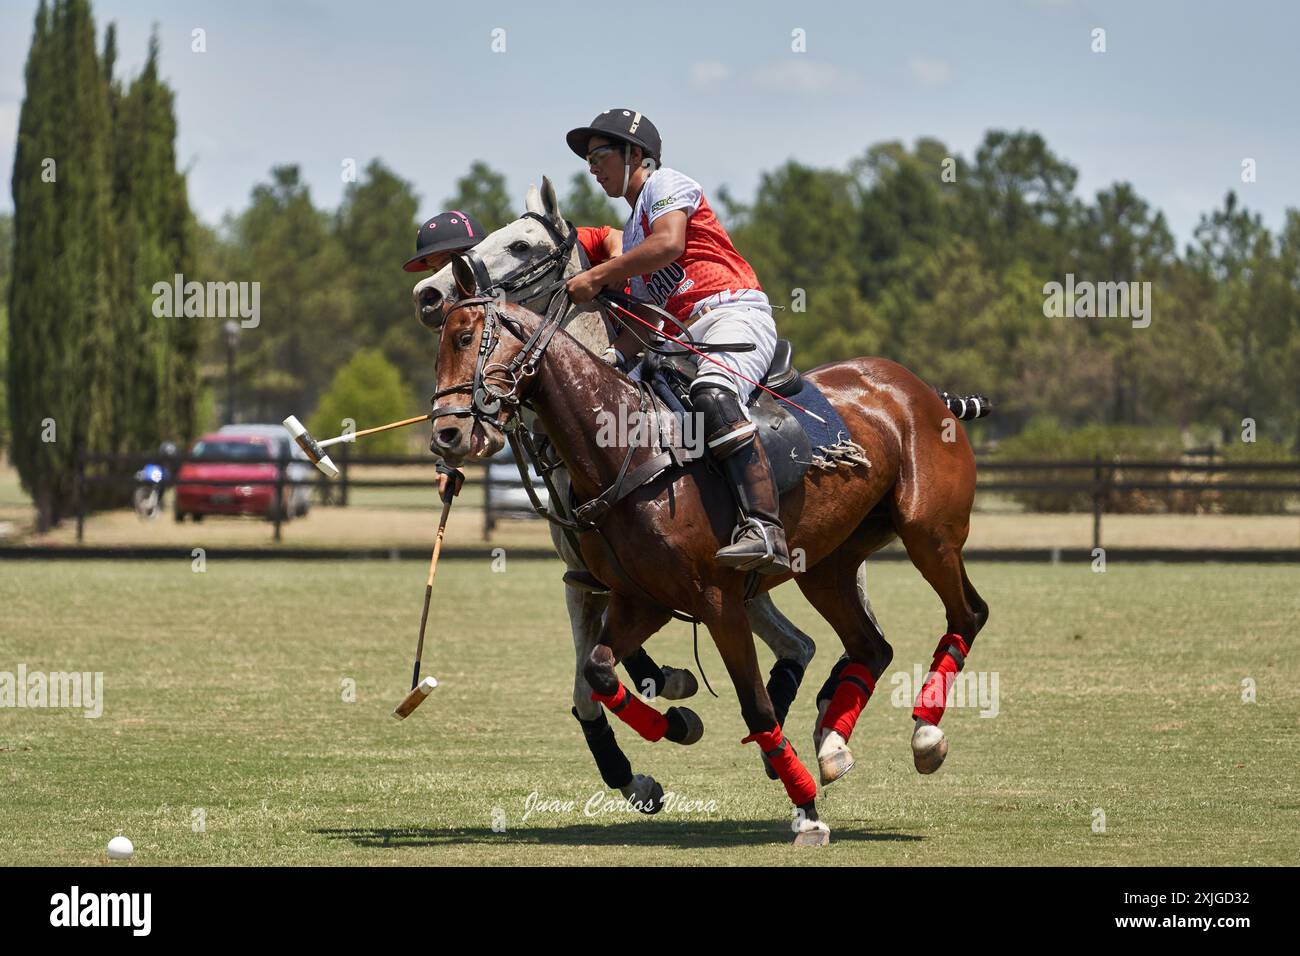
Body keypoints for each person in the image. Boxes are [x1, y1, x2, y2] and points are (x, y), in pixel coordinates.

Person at [562, 109, 789, 574]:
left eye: (600, 156)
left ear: (636, 155)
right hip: (684, 336)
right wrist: (611, 359)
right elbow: (646, 317)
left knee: (714, 393)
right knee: (632, 410)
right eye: (588, 161)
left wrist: (597, 275)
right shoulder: (631, 231)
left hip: (732, 312)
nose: (593, 169)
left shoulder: (666, 186)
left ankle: (766, 528)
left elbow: (668, 244)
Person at [408, 209, 621, 500]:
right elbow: (459, 397)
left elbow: (611, 237)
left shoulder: (528, 265)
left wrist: (610, 271)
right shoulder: (470, 326)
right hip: (557, 446)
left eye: (450, 263)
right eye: (437, 271)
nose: (444, 278)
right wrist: (449, 460)